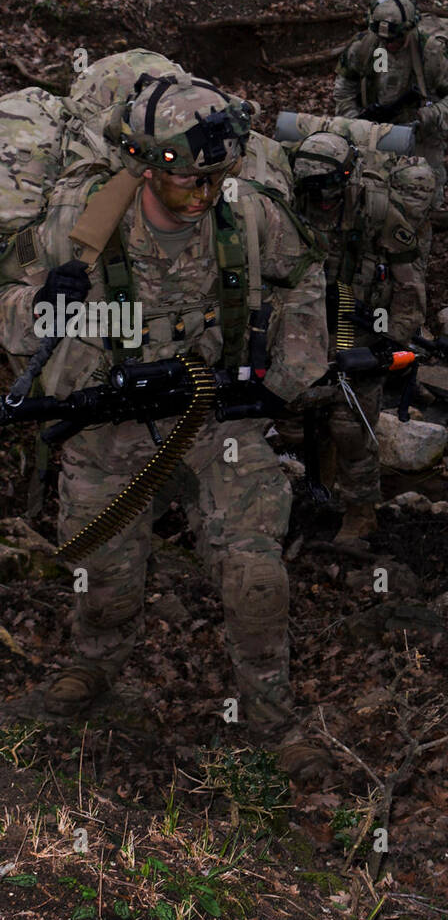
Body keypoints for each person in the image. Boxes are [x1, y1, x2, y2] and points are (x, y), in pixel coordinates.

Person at [0, 74, 330, 782]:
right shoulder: (79, 221)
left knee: (254, 572)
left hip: (214, 420)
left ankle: (268, 716)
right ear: (148, 167)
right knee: (104, 574)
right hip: (106, 426)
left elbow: (305, 283)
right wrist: (40, 307)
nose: (204, 195)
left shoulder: (245, 216)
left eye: (219, 177)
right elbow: (8, 304)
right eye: (191, 182)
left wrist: (280, 384)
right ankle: (92, 670)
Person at [283, 131, 435, 545]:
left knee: (352, 424)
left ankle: (361, 511)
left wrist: (394, 341)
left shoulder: (378, 211)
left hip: (362, 326)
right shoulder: (292, 203)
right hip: (304, 320)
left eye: (330, 188)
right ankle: (320, 479)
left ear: (348, 177)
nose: (322, 198)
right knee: (293, 415)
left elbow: (409, 285)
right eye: (313, 189)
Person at [333, 0, 448, 210]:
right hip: (372, 133)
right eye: (384, 40)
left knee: (423, 200)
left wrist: (427, 116)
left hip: (418, 135)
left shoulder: (431, 53)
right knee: (364, 198)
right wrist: (354, 121)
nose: (390, 45)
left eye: (395, 39)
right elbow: (343, 89)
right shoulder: (365, 46)